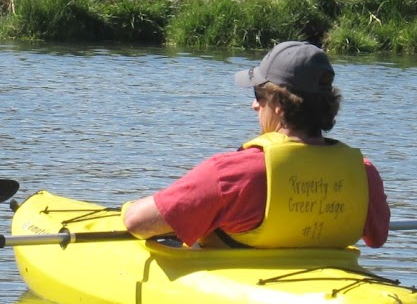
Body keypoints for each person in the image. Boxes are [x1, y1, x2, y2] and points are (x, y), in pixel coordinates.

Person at [121, 40, 389, 249]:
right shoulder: (364, 173)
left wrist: (131, 207)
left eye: (258, 95)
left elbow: (137, 223)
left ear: (279, 105)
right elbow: (377, 237)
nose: (253, 105)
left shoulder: (231, 174)